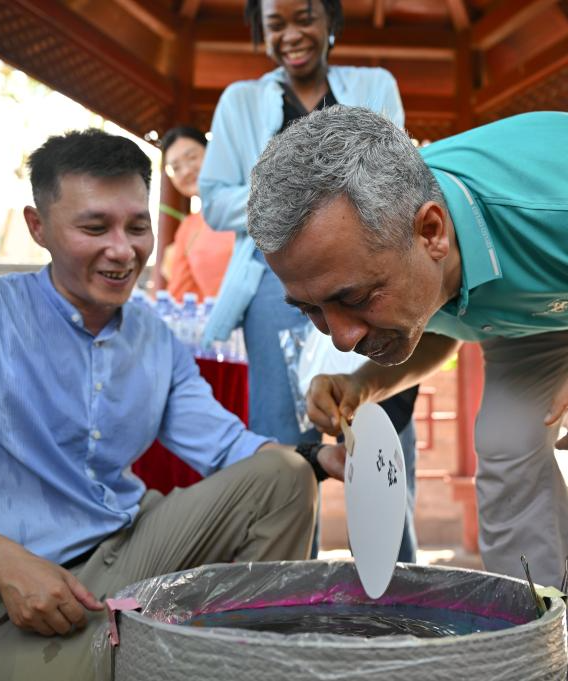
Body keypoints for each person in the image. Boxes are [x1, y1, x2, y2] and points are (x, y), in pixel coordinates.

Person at [247, 105, 568, 681]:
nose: (342, 337)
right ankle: (552, 669)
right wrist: (364, 384)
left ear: (432, 232)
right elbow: (441, 320)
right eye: (312, 309)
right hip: (552, 306)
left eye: (353, 300)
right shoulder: (398, 247)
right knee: (503, 444)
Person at [0, 129, 344, 681]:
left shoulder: (155, 337)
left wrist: (318, 457)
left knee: (284, 477)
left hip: (141, 544)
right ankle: (175, 650)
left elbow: (225, 444)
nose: (122, 250)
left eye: (137, 227)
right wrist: (6, 563)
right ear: (38, 226)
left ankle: (242, 657)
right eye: (94, 228)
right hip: (31, 584)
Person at [198, 0, 420, 560]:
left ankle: (399, 578)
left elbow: (399, 174)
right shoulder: (240, 101)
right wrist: (294, 201)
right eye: (275, 24)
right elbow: (215, 201)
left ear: (330, 22)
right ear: (262, 32)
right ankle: (289, 580)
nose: (291, 34)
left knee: (379, 420)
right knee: (284, 436)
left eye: (304, 18)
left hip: (368, 277)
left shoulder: (375, 85)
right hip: (274, 289)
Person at [158, 126, 234, 302]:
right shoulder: (188, 227)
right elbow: (182, 295)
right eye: (175, 168)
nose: (186, 171)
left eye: (192, 157)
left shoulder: (248, 201)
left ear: (212, 154)